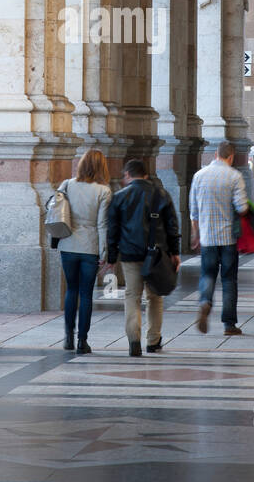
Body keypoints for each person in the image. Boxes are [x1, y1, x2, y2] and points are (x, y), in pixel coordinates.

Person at [107, 160, 180, 357]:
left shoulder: (119, 197)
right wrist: (175, 252)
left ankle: (134, 341)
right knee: (155, 296)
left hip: (130, 255)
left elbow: (112, 230)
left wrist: (111, 256)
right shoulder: (161, 194)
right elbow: (172, 226)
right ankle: (153, 341)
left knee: (132, 295)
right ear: (146, 175)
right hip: (156, 255)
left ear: (128, 175)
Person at [190, 141, 249, 336]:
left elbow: (194, 212)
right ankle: (229, 324)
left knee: (207, 274)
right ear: (230, 156)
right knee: (229, 280)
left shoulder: (199, 176)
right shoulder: (234, 176)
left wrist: (195, 234)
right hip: (228, 238)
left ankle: (205, 301)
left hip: (207, 237)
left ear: (216, 154)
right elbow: (242, 208)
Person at [58, 149, 112, 355]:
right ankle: (82, 340)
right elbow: (102, 225)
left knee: (71, 290)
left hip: (68, 244)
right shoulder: (103, 191)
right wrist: (103, 253)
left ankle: (68, 337)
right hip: (90, 248)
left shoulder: (67, 184)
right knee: (86, 294)